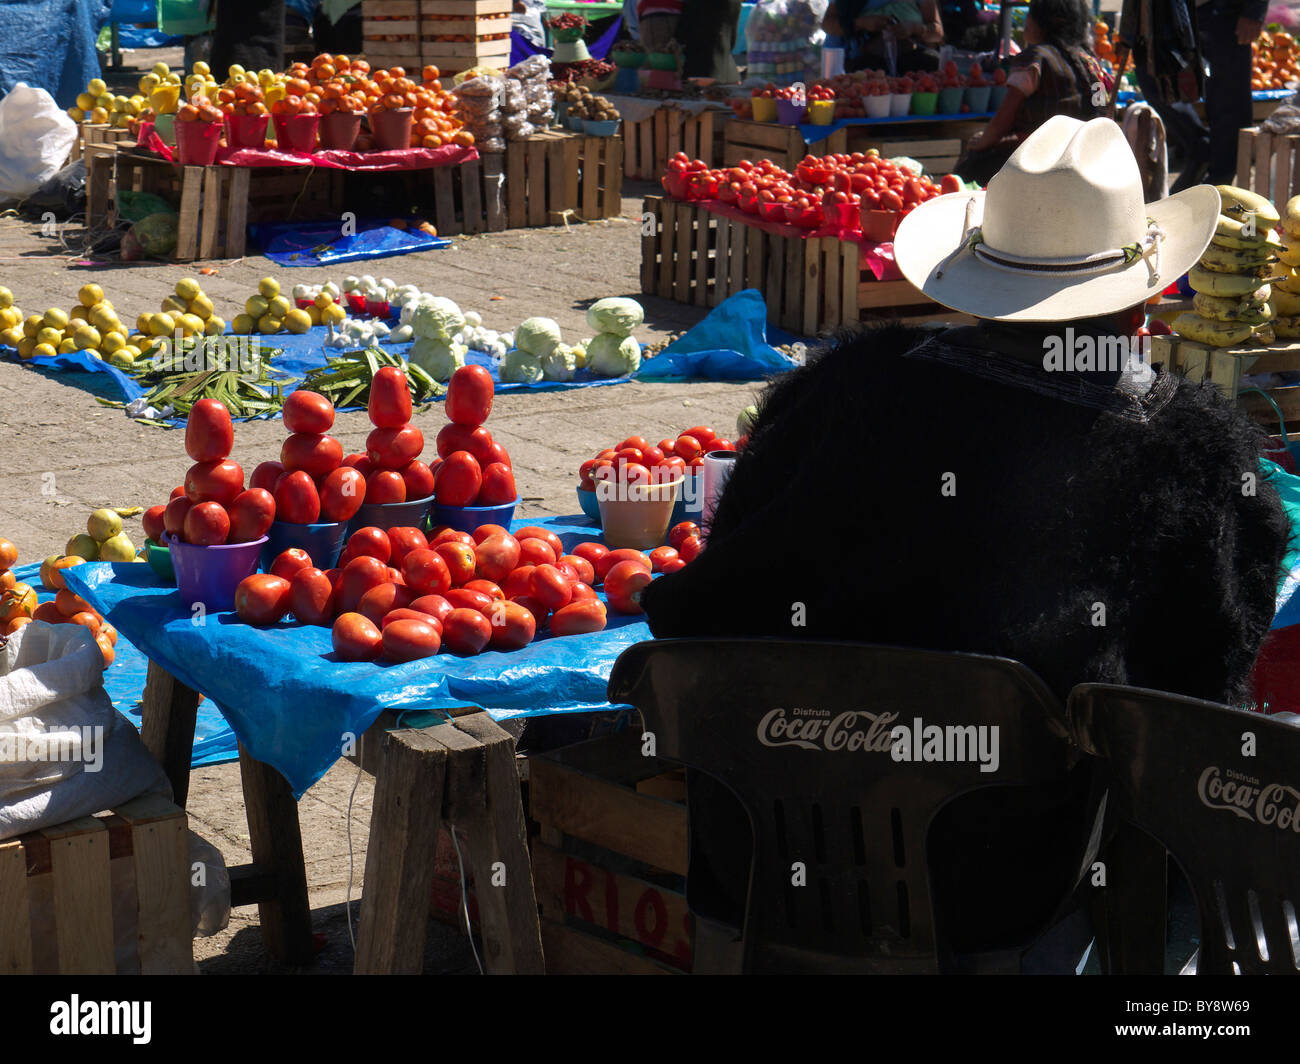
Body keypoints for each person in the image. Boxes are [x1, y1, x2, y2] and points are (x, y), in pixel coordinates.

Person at [641, 116, 1290, 958]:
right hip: (1005, 889)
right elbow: (1201, 701)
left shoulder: (844, 387)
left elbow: (711, 597)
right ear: (1146, 298)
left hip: (766, 862)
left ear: (978, 281)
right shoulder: (1192, 451)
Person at [955, 0, 1103, 184]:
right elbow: (1103, 114)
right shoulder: (1093, 64)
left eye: (1031, 14)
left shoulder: (1036, 58)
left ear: (1051, 21)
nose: (1026, 19)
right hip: (1085, 161)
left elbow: (1003, 120)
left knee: (969, 169)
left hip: (1035, 161)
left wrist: (982, 143)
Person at [1118, 0, 1210, 191]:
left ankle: (1200, 145)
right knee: (1158, 95)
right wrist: (1126, 37)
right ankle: (1197, 148)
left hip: (1166, 38)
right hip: (1147, 40)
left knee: (1168, 96)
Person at [1198, 0, 1266, 184]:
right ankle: (1198, 150)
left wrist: (1253, 11)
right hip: (1178, 14)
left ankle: (1224, 178)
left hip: (1225, 12)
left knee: (1229, 100)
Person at [822, 0, 945, 74]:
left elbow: (938, 33)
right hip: (865, 61)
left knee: (933, 64)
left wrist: (915, 28)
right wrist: (862, 23)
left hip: (913, 60)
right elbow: (828, 24)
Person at [677, 0, 743, 82]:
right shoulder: (734, 2)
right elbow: (732, 41)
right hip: (727, 73)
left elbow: (680, 36)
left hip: (698, 73)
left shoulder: (695, 3)